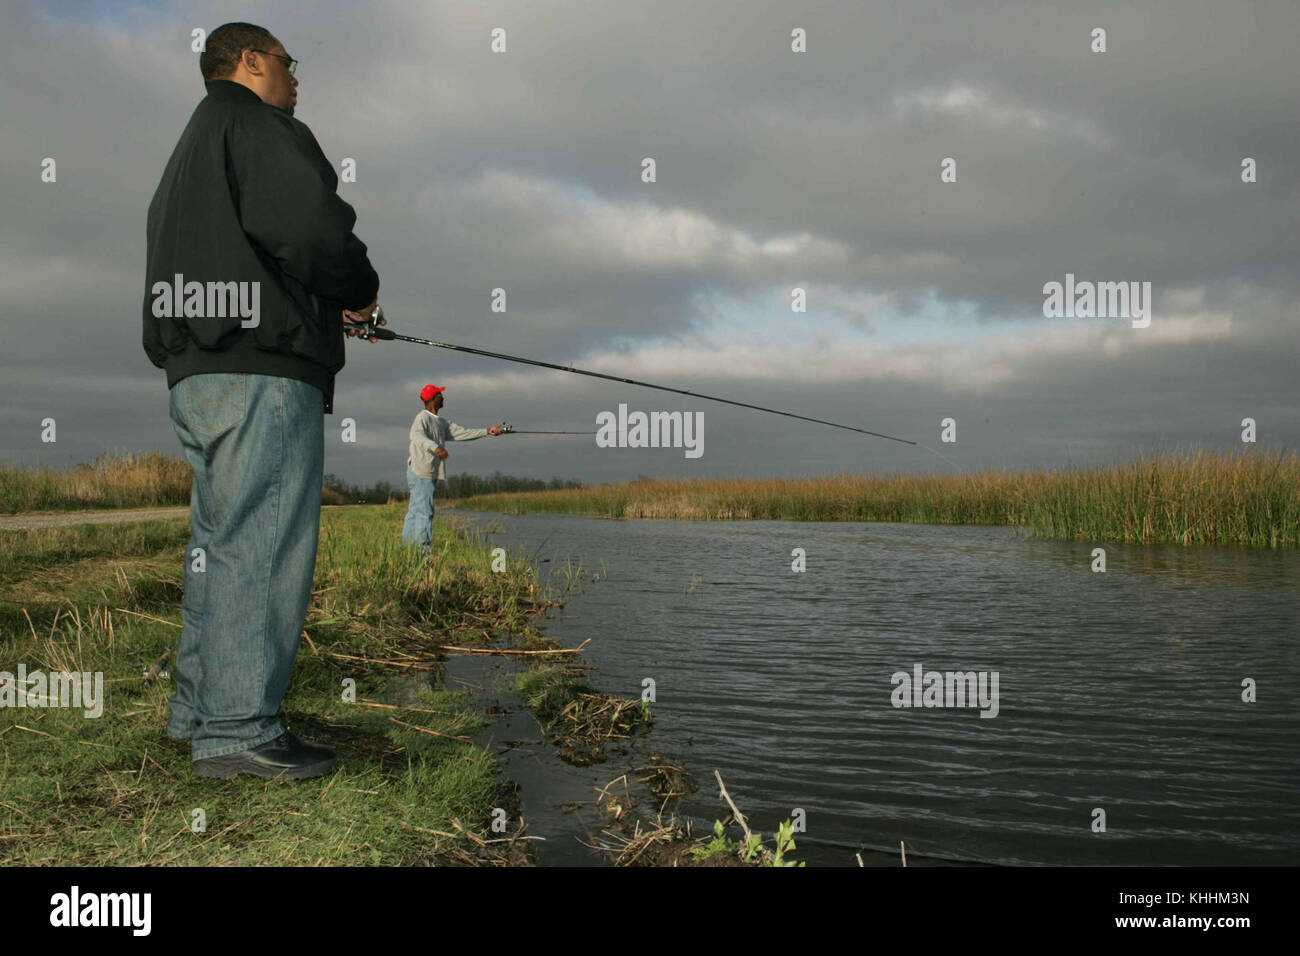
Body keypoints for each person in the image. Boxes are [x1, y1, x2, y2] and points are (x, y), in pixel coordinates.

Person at [143, 22, 384, 780]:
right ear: (248, 60)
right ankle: (241, 729)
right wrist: (358, 289)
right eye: (286, 60)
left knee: (218, 546)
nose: (295, 76)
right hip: (262, 374)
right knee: (265, 542)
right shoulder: (258, 125)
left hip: (197, 372)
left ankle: (198, 712)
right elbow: (310, 227)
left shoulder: (188, 152)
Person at [403, 385, 503, 549]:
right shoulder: (422, 418)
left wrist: (487, 431)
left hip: (424, 472)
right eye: (440, 395)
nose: (443, 398)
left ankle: (407, 549)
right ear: (432, 399)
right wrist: (436, 447)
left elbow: (462, 433)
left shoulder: (441, 422)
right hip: (422, 472)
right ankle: (423, 553)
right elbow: (415, 435)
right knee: (424, 512)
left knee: (415, 511)